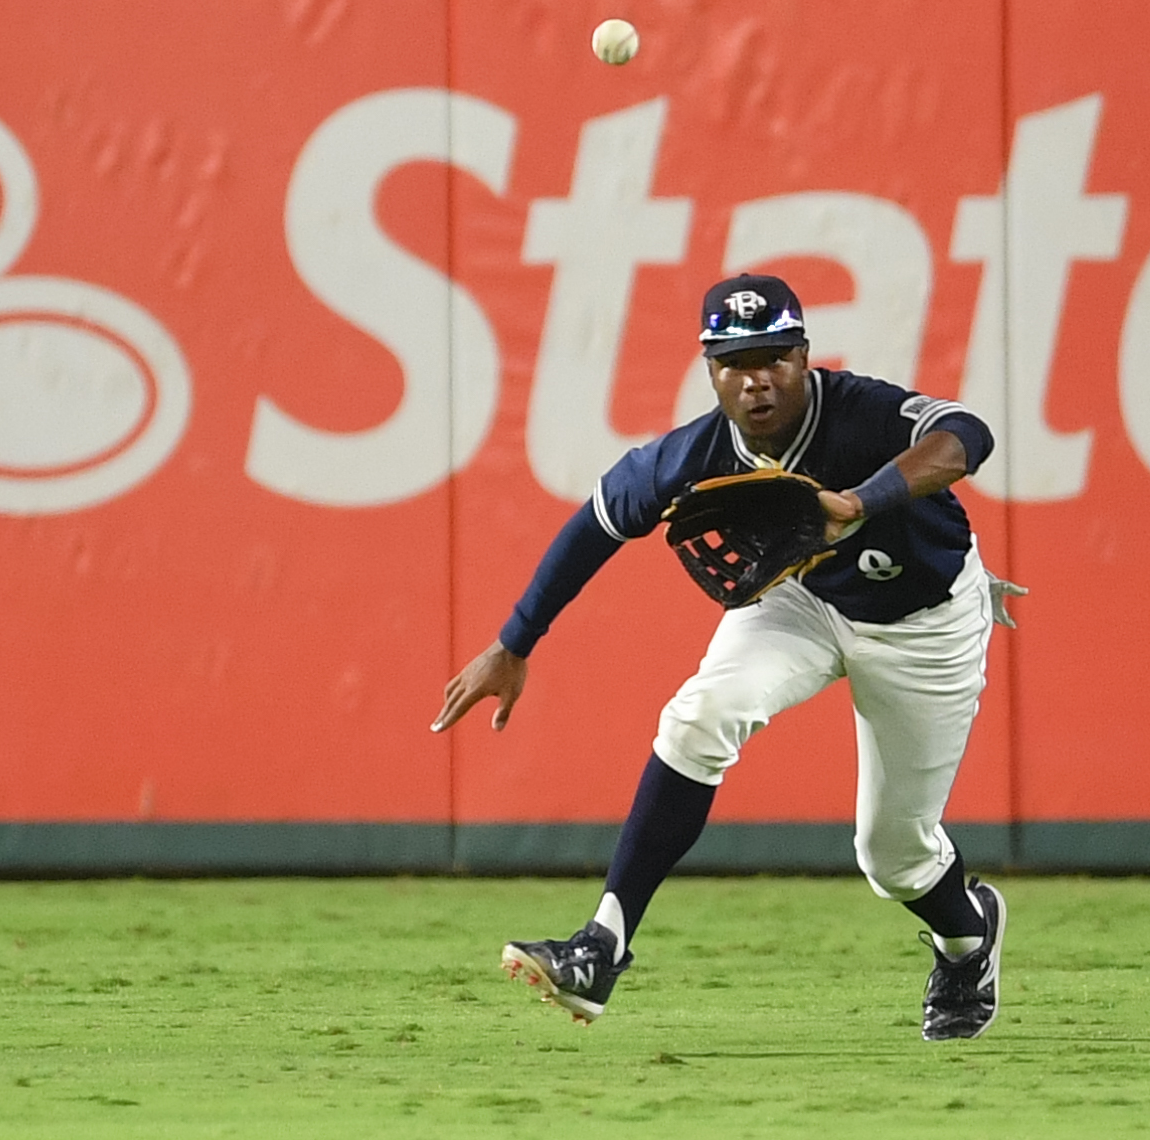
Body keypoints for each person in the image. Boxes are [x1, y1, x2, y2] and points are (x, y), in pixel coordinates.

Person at [432, 273, 1022, 1041]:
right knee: (697, 716)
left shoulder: (858, 413)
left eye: (775, 357)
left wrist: (861, 501)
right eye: (735, 362)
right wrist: (515, 641)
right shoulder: (697, 452)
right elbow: (598, 523)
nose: (757, 379)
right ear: (709, 369)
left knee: (893, 855)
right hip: (801, 601)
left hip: (926, 621)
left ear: (806, 357)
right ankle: (602, 946)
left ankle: (968, 936)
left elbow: (967, 433)